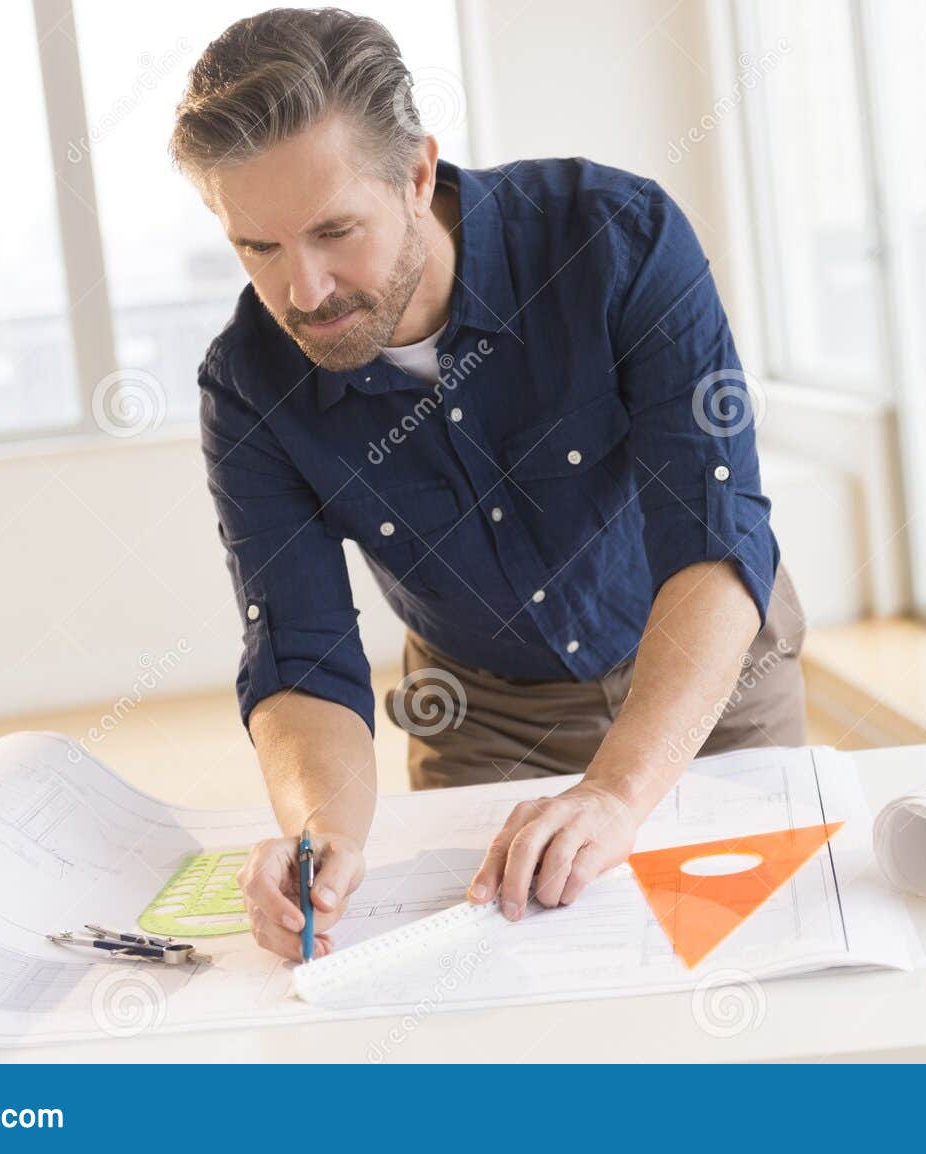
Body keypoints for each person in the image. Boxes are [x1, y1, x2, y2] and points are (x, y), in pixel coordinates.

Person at [171, 8, 807, 961]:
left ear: (418, 173)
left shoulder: (616, 238)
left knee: (756, 960)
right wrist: (320, 835)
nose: (303, 292)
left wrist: (617, 791)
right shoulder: (250, 385)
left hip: (708, 677)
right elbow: (298, 649)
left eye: (334, 231)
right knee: (515, 990)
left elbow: (715, 534)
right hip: (484, 712)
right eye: (257, 248)